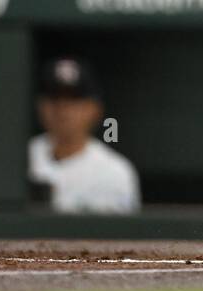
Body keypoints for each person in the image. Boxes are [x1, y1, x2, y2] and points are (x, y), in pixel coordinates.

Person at [27, 57, 140, 214]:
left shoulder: (114, 172)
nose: (62, 109)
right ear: (40, 106)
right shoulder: (17, 160)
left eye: (74, 99)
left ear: (94, 109)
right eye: (54, 98)